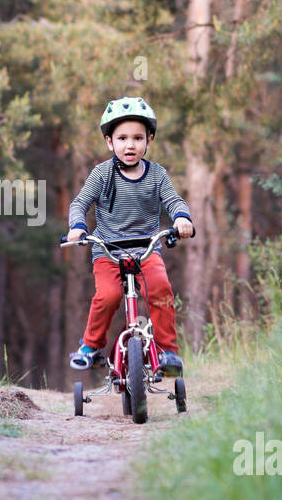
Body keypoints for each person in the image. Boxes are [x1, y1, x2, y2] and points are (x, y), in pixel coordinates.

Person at [65, 96, 194, 376]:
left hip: (145, 251)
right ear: (110, 142)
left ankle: (167, 351)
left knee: (160, 289)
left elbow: (173, 200)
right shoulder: (102, 174)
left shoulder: (157, 175)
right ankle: (91, 345)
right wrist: (77, 227)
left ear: (149, 140)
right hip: (108, 251)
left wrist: (182, 218)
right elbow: (79, 203)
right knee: (108, 296)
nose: (130, 145)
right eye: (122, 138)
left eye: (138, 138)